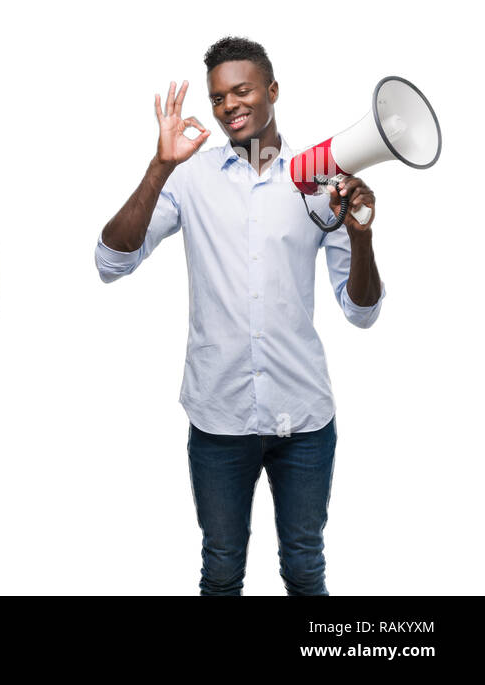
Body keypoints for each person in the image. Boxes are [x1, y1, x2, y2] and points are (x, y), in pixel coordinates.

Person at [95, 36, 385, 596]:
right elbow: (111, 261)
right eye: (218, 97)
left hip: (303, 420)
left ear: (272, 91)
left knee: (305, 567)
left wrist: (362, 236)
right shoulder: (189, 177)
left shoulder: (321, 181)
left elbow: (361, 311)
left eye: (242, 90)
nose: (230, 105)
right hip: (218, 418)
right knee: (222, 569)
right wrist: (159, 166)